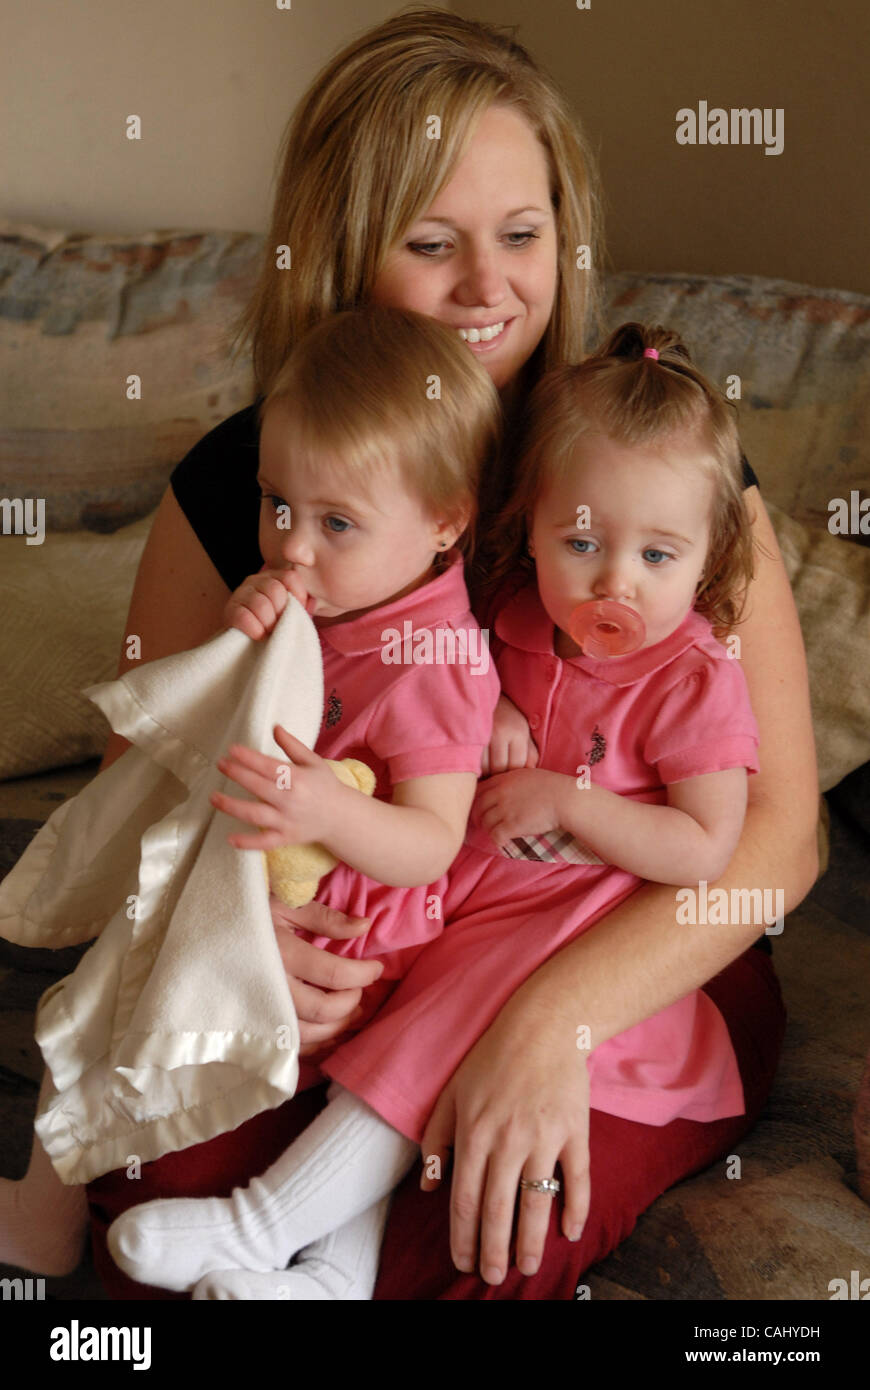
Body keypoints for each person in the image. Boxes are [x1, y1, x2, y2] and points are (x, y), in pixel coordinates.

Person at [81, 9, 816, 1299]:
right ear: (344, 257)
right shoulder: (252, 479)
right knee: (155, 1209)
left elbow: (781, 838)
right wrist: (247, 926)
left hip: (635, 951)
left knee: (465, 1249)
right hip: (383, 946)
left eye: (522, 236)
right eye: (432, 244)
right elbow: (134, 786)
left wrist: (548, 1019)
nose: (491, 287)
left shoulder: (652, 466)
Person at [106, 320, 765, 1300]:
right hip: (474, 901)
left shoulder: (695, 679)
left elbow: (710, 844)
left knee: (441, 1032)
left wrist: (567, 799)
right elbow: (458, 684)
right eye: (581, 541)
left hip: (579, 925)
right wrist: (494, 702)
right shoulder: (516, 620)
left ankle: (261, 1225)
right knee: (402, 1037)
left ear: (708, 555)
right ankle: (332, 1273)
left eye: (659, 556)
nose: (615, 582)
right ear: (528, 526)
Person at [0, 305, 501, 1287]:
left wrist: (331, 813)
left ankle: (314, 1267)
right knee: (91, 1007)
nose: (293, 548)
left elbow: (432, 842)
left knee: (139, 1026)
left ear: (445, 524)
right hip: (256, 892)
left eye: (336, 523)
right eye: (278, 506)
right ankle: (42, 1213)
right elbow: (234, 703)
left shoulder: (435, 660)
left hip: (356, 957)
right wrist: (245, 625)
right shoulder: (332, 592)